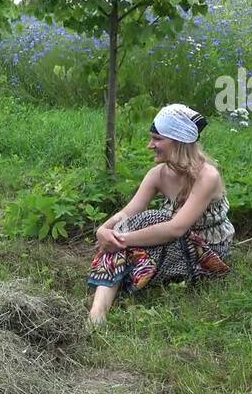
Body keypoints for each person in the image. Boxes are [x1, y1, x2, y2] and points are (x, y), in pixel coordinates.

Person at [88, 104, 234, 324]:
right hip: (169, 237)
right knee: (123, 230)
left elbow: (176, 228)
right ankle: (97, 313)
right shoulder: (158, 174)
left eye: (157, 139)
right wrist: (104, 230)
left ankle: (112, 292)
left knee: (145, 223)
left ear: (178, 140)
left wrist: (121, 240)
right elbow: (128, 212)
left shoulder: (207, 176)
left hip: (207, 249)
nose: (150, 145)